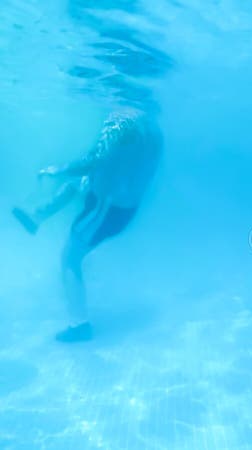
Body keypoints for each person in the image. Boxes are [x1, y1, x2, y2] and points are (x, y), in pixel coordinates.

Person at [12, 108, 162, 342]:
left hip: (106, 210)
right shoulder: (151, 127)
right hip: (122, 205)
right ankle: (37, 217)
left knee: (70, 258)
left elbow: (93, 160)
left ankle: (80, 325)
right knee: (76, 183)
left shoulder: (121, 120)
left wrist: (56, 170)